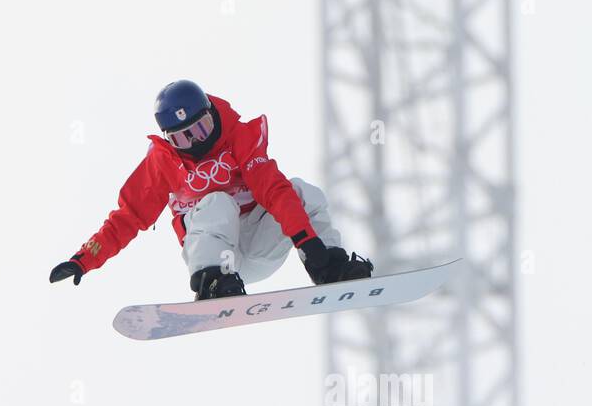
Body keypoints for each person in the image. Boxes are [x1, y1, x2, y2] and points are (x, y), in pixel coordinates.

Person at [49, 79, 373, 300]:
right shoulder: (163, 163)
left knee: (300, 191)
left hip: (260, 246)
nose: (196, 142)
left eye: (201, 129)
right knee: (217, 202)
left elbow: (273, 190)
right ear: (168, 138)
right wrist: (84, 260)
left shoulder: (240, 139)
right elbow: (128, 216)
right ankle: (212, 280)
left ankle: (329, 266)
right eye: (182, 138)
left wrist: (307, 241)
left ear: (211, 114)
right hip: (215, 253)